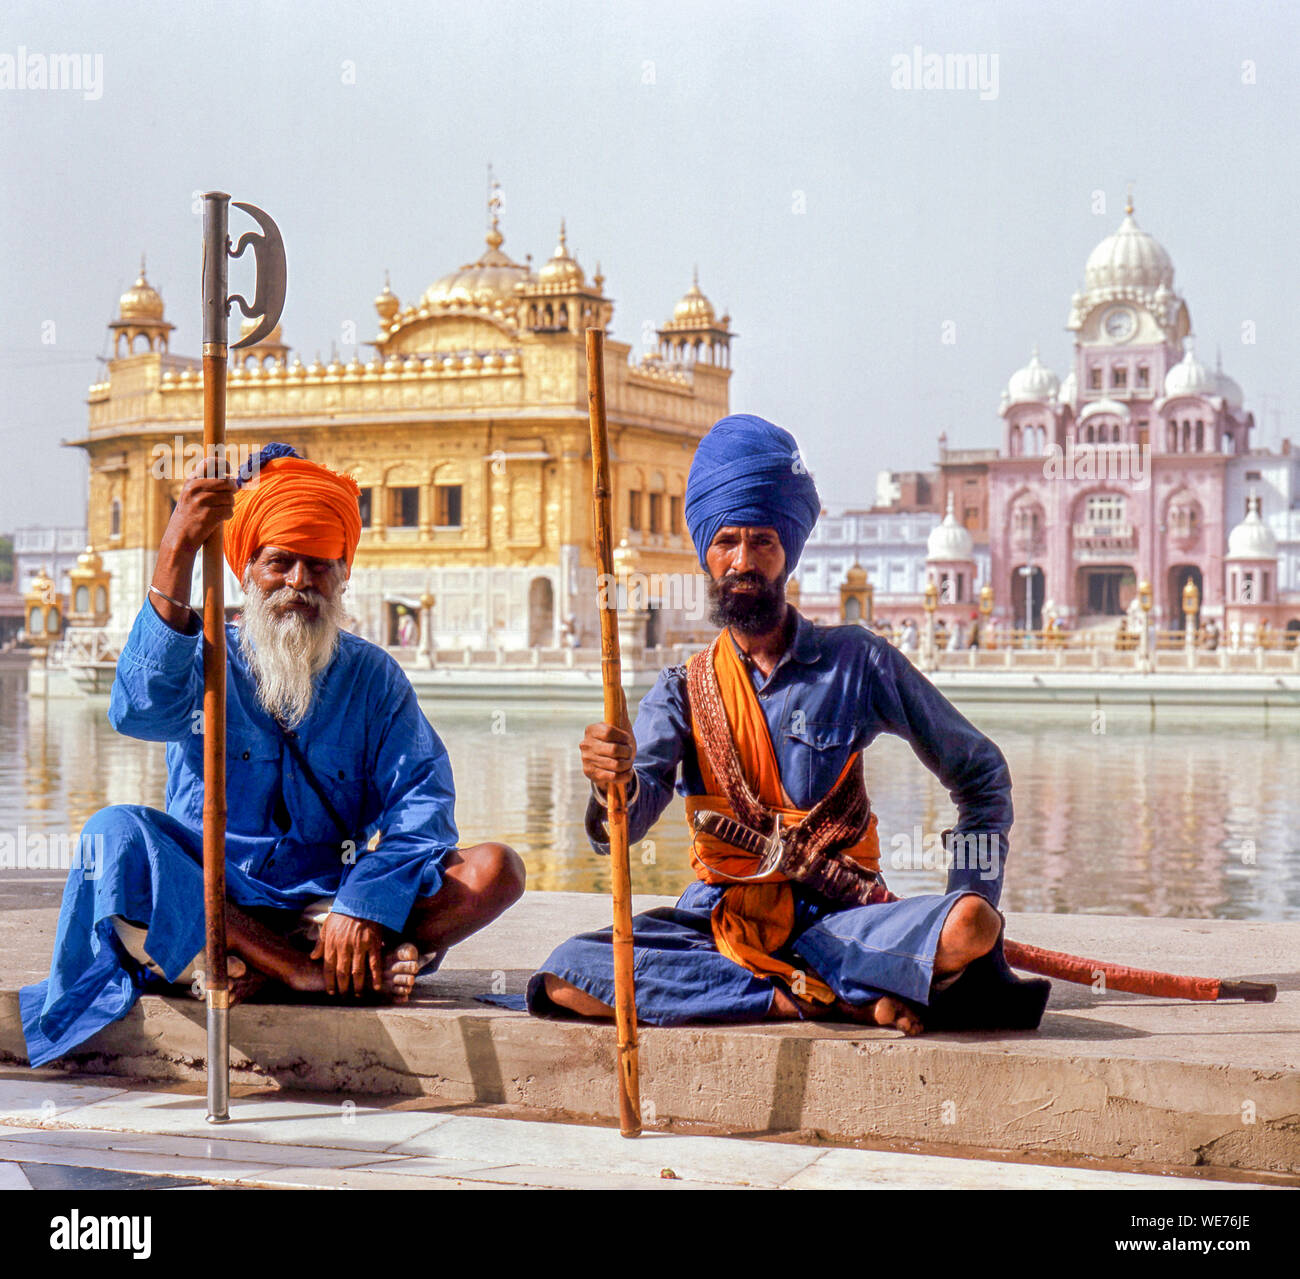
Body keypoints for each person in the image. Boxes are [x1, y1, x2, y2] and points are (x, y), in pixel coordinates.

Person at [527, 415, 1048, 1035]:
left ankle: (818, 984)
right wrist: (610, 782)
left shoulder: (858, 661)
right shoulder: (682, 689)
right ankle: (811, 999)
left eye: (763, 543)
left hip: (843, 919)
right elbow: (627, 823)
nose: (743, 561)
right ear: (706, 554)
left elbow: (981, 775)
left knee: (970, 926)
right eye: (727, 543)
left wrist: (972, 892)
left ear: (788, 554)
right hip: (724, 921)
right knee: (568, 974)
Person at [22, 443, 525, 1067]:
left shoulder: (372, 678)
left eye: (318, 566)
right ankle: (308, 972)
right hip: (216, 896)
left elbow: (423, 806)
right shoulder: (206, 658)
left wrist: (362, 904)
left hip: (326, 902)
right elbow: (139, 711)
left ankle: (276, 962)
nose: (298, 583)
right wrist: (177, 544)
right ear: (246, 571)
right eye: (280, 562)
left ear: (343, 575)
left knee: (494, 870)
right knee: (111, 838)